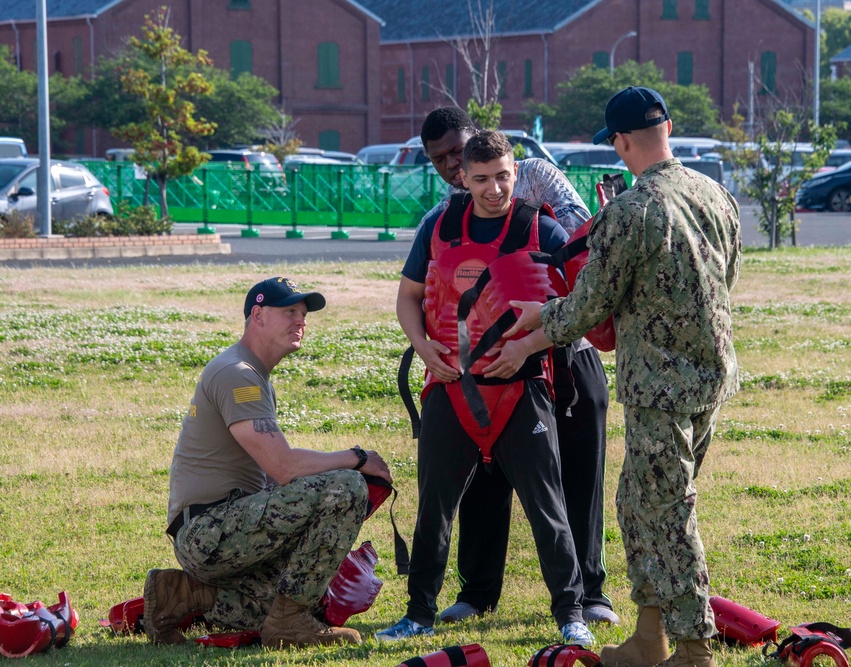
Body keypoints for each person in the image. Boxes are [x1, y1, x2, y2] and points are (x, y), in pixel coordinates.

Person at [484, 87, 741, 667]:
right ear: (668, 127)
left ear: (621, 142)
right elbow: (727, 279)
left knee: (667, 512)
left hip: (661, 387)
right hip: (710, 378)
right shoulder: (716, 195)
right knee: (636, 504)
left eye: (617, 144)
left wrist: (535, 319)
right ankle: (649, 636)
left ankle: (696, 646)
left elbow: (586, 308)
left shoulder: (631, 209)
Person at [378, 130, 595, 647]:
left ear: (516, 172)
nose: (494, 189)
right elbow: (409, 297)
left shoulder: (542, 228)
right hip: (449, 386)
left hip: (521, 388)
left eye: (502, 176)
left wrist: (525, 348)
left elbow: (580, 308)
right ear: (464, 179)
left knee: (548, 505)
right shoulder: (437, 225)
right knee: (434, 504)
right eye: (481, 179)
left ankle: (571, 613)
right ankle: (418, 614)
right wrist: (422, 347)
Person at [417, 106, 618, 627]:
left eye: (458, 151)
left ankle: (589, 593)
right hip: (486, 368)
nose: (451, 164)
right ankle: (478, 591)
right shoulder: (445, 211)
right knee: (481, 479)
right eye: (441, 159)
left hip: (566, 353)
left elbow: (582, 252)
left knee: (574, 475)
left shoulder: (533, 176)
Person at [145, 276, 393, 649]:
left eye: (304, 313)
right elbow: (284, 467)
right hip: (208, 530)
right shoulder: (238, 374)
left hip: (216, 526)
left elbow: (275, 475)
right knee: (346, 486)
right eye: (289, 311)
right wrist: (358, 459)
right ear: (257, 315)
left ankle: (179, 593)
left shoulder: (249, 372)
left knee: (300, 592)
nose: (301, 321)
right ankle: (290, 621)